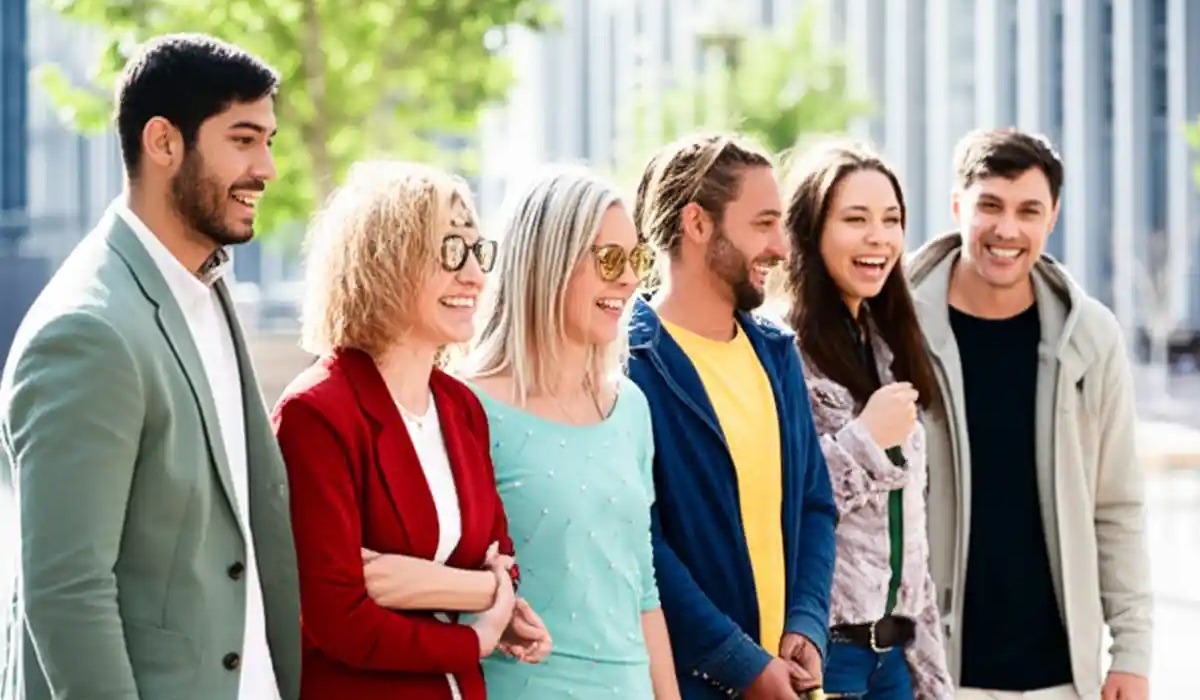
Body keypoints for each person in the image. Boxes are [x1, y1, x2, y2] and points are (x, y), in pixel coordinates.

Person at [0, 33, 301, 700]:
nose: (268, 168)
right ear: (164, 142)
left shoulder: (206, 286)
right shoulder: (87, 332)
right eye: (244, 139)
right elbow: (67, 591)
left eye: (269, 140)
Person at [272, 161, 547, 700]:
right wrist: (476, 634)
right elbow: (338, 619)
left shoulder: (460, 405)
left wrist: (476, 588)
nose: (473, 275)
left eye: (476, 251)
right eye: (449, 251)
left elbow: (505, 564)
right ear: (386, 261)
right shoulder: (316, 412)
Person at [906, 129, 1152, 700]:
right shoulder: (894, 328)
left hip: (1062, 679)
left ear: (1053, 217)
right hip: (935, 672)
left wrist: (1132, 653)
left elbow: (1117, 507)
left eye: (1028, 211)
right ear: (956, 206)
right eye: (989, 205)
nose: (1007, 230)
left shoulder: (1091, 337)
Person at [627, 133, 838, 700]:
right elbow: (641, 541)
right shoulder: (628, 368)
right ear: (698, 224)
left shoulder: (777, 353)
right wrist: (739, 664)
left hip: (787, 682)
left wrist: (807, 623)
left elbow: (815, 504)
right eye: (763, 224)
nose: (782, 247)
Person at [465, 166, 680, 699]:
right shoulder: (464, 406)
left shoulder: (630, 406)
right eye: (609, 259)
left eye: (637, 260)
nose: (629, 280)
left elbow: (642, 586)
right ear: (547, 263)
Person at [781, 141, 952, 699]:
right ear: (812, 231)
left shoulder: (887, 346)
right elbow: (782, 502)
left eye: (892, 219)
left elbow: (911, 536)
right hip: (827, 656)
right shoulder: (782, 351)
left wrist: (930, 672)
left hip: (896, 658)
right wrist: (864, 441)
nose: (879, 236)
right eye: (856, 219)